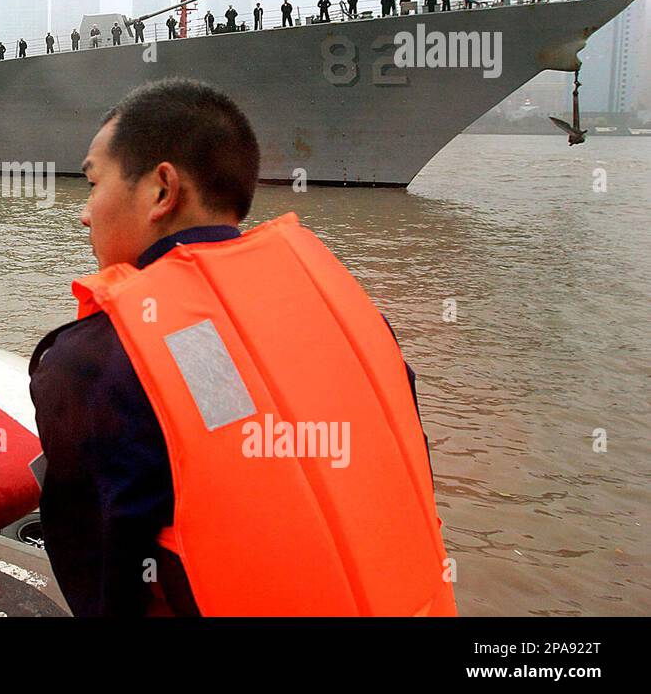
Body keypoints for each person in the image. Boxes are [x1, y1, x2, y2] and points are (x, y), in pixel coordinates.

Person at [28, 78, 456, 617]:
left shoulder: (98, 359)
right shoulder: (355, 316)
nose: (85, 212)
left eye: (93, 184)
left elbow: (102, 576)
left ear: (162, 190)